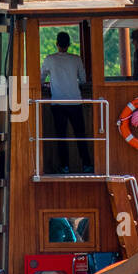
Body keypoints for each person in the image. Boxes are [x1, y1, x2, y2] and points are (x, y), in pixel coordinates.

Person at [41, 32, 93, 173]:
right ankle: (87, 165)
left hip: (57, 103)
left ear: (57, 44)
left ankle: (65, 166)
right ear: (69, 45)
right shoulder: (76, 59)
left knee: (61, 136)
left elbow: (40, 78)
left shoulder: (49, 59)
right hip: (75, 101)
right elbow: (83, 80)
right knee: (80, 134)